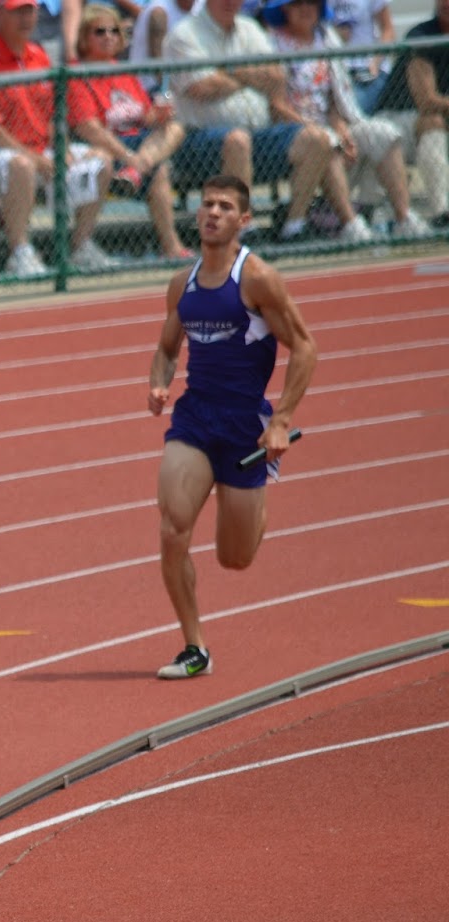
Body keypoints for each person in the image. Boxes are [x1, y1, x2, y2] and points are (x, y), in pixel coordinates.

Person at [146, 174, 316, 679]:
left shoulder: (257, 278)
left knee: (234, 558)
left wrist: (282, 419)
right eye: (206, 204)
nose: (212, 213)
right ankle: (194, 647)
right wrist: (159, 385)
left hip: (246, 426)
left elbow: (305, 347)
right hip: (195, 418)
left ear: (243, 220)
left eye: (224, 206)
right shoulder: (184, 284)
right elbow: (166, 348)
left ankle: (254, 496)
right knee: (172, 528)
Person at [0, 0, 116, 278]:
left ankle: (80, 244)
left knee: (101, 161)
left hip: (38, 151)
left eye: (30, 11)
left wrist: (60, 148)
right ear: (0, 13)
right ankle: (20, 252)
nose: (26, 18)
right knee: (21, 166)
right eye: (18, 12)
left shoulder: (38, 55)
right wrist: (37, 159)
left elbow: (52, 114)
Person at [162, 0, 345, 243]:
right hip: (199, 140)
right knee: (238, 139)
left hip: (258, 134)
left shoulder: (249, 28)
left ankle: (293, 226)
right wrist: (250, 75)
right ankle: (243, 230)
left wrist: (227, 71)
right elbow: (201, 87)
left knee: (317, 137)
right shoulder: (183, 34)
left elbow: (275, 76)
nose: (230, 3)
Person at [265, 0, 429, 239]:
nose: (306, 9)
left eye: (311, 4)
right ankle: (350, 224)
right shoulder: (274, 44)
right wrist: (321, 131)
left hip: (333, 121)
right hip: (294, 132)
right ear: (284, 10)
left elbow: (335, 98)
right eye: (296, 4)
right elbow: (276, 106)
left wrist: (341, 128)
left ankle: (404, 217)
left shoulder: (326, 37)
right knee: (325, 143)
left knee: (384, 133)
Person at [68, 7, 193, 260]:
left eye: (114, 31)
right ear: (83, 38)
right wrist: (127, 157)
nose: (109, 37)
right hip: (106, 148)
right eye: (99, 31)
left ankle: (171, 248)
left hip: (137, 151)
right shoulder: (77, 75)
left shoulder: (123, 71)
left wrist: (157, 116)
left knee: (174, 131)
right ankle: (81, 244)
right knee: (158, 168)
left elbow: (143, 117)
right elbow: (88, 129)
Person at [369, 0, 449, 229]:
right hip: (395, 120)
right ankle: (442, 212)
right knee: (432, 122)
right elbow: (427, 101)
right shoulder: (423, 35)